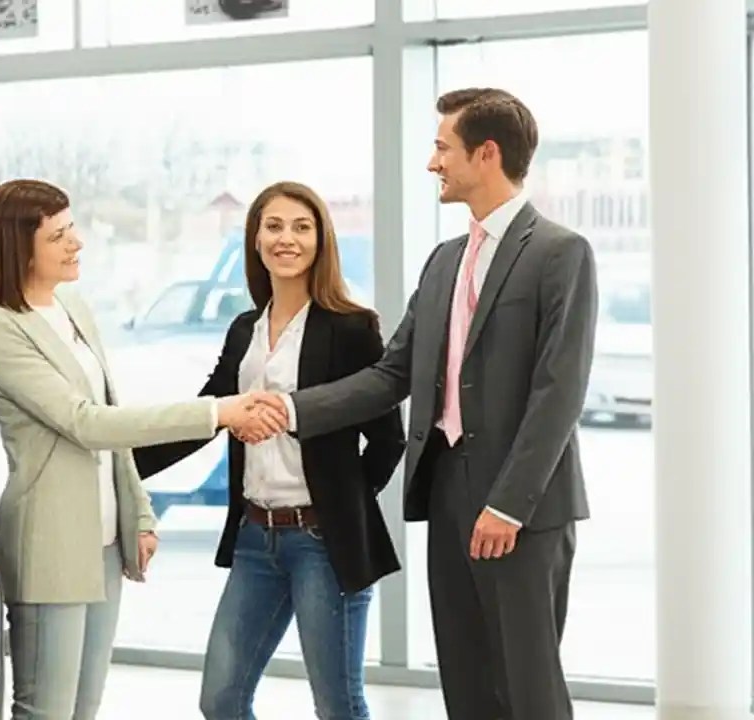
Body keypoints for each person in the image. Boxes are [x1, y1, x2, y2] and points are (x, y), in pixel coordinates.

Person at [245, 89, 598, 720]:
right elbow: (392, 374)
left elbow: (559, 392)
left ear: (486, 154)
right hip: (446, 492)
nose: (433, 163)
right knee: (463, 679)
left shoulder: (559, 252)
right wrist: (289, 408)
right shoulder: (444, 262)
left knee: (529, 686)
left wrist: (508, 506)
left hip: (522, 507)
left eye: (443, 148)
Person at [0, 178, 282, 720]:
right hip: (50, 545)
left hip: (105, 542)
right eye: (59, 235)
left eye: (72, 228)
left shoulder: (73, 308)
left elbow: (111, 414)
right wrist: (217, 411)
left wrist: (137, 513)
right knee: (46, 711)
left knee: (85, 708)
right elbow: (85, 423)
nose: (77, 242)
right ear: (19, 246)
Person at [133, 181, 406, 720]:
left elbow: (386, 438)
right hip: (257, 538)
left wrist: (340, 502)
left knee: (338, 706)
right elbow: (205, 416)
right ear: (255, 240)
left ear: (321, 240)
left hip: (323, 543)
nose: (288, 239)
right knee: (222, 699)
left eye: (302, 227)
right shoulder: (244, 330)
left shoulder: (351, 328)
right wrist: (122, 464)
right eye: (274, 226)